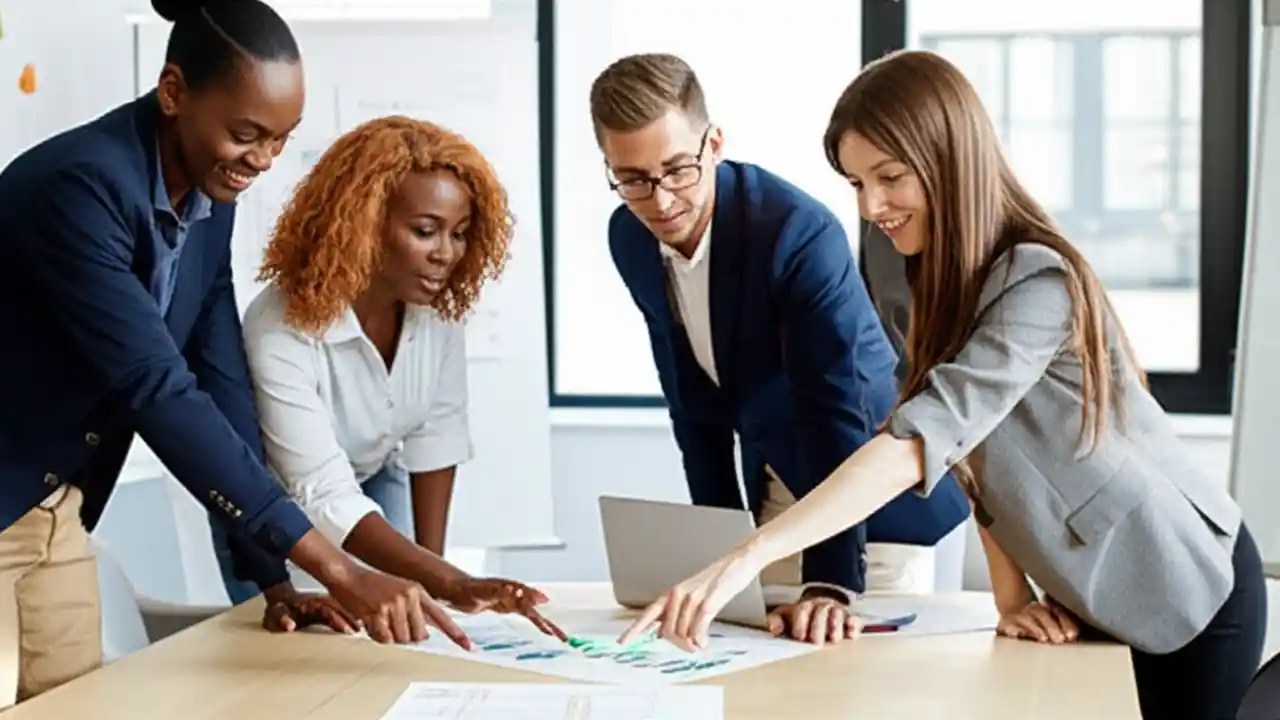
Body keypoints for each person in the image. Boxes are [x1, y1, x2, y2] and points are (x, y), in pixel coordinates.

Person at [618, 49, 1267, 720]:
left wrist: (746, 557)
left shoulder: (1039, 280)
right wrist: (1011, 595)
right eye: (856, 183)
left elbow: (919, 442)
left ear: (949, 161)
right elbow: (966, 450)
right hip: (1086, 587)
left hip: (1182, 585)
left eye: (889, 177)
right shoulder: (927, 273)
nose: (871, 206)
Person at [0, 0, 475, 706]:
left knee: (76, 704)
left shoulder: (208, 200)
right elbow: (155, 386)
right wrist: (339, 571)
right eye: (246, 134)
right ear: (173, 93)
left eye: (281, 140)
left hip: (55, 503)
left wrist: (272, 578)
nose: (263, 160)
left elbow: (218, 378)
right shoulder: (81, 186)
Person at [590, 53, 970, 646]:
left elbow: (832, 405)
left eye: (678, 169)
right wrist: (712, 558)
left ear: (714, 143)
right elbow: (693, 407)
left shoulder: (795, 232)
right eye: (633, 179)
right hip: (773, 499)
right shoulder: (629, 239)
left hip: (871, 512)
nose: (661, 201)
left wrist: (832, 584)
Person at [215, 115, 563, 641]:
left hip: (376, 475)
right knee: (303, 658)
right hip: (276, 513)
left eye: (460, 234)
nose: (446, 253)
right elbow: (319, 490)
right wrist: (450, 580)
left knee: (402, 637)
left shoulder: (435, 310)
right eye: (425, 231)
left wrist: (439, 579)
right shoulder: (280, 327)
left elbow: (434, 441)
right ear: (365, 223)